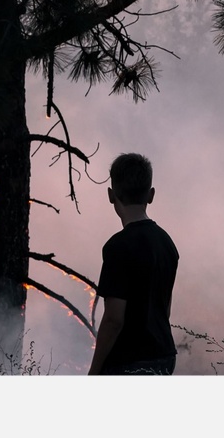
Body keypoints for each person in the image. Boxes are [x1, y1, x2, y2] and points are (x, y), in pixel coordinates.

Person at [88, 153, 179, 375]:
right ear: (151, 194)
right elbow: (165, 310)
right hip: (164, 356)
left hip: (128, 362)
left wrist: (94, 370)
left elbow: (113, 320)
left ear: (111, 195)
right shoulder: (166, 243)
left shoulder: (117, 247)